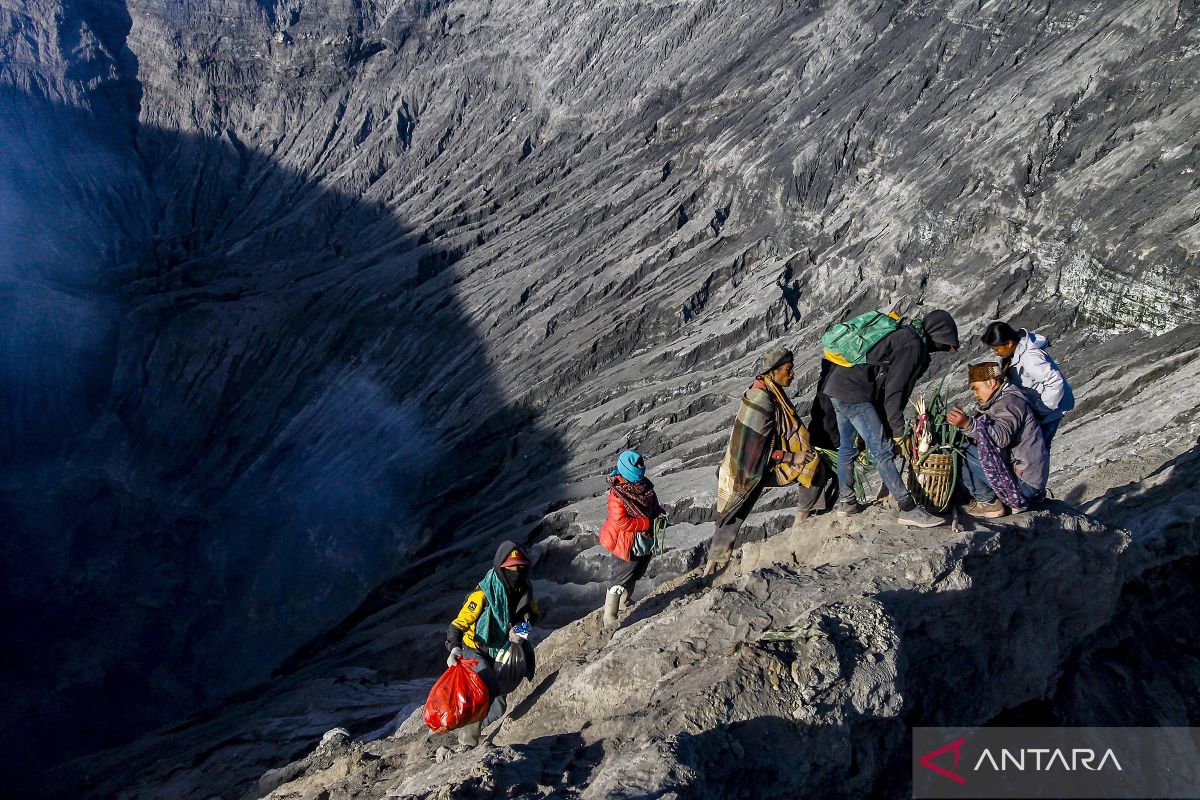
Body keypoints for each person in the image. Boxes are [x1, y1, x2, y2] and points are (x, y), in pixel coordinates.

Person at [821, 309, 960, 526]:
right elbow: (895, 390)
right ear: (938, 337)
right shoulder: (913, 344)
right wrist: (897, 431)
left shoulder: (904, 332)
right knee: (882, 450)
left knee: (848, 448)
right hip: (855, 394)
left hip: (837, 388)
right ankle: (907, 508)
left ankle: (846, 502)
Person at [703, 347, 825, 577]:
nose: (793, 374)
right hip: (751, 468)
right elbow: (756, 448)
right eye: (788, 370)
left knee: (733, 513)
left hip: (750, 464)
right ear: (773, 371)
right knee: (735, 511)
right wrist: (791, 456)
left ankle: (712, 565)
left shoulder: (767, 389)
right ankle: (800, 524)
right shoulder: (764, 399)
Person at [445, 540, 538, 748]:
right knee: (483, 689)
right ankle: (467, 742)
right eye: (512, 568)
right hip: (475, 647)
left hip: (503, 647)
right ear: (501, 568)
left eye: (521, 567)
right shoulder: (483, 594)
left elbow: (532, 615)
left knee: (500, 699)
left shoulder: (524, 590)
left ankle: (476, 725)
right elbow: (457, 625)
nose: (517, 571)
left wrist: (521, 631)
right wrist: (454, 648)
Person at [947, 362, 1049, 518]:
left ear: (992, 383)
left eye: (976, 388)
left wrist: (968, 424)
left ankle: (987, 502)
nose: (975, 394)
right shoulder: (1003, 400)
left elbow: (1000, 438)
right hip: (1026, 481)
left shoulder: (1010, 403)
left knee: (962, 451)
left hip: (1023, 483)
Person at [598, 450, 667, 627]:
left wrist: (658, 513)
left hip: (642, 541)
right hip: (624, 543)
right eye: (636, 465)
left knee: (635, 573)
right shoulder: (618, 494)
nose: (640, 467)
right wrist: (647, 523)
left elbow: (653, 505)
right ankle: (610, 616)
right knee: (620, 577)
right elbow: (621, 522)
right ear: (627, 468)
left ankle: (623, 604)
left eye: (640, 463)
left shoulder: (645, 487)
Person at [980, 321, 1074, 446]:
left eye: (996, 349)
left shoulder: (1030, 358)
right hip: (1038, 409)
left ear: (1008, 343)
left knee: (1037, 452)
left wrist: (1040, 411)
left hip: (1048, 412)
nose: (995, 353)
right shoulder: (1015, 353)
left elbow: (1054, 383)